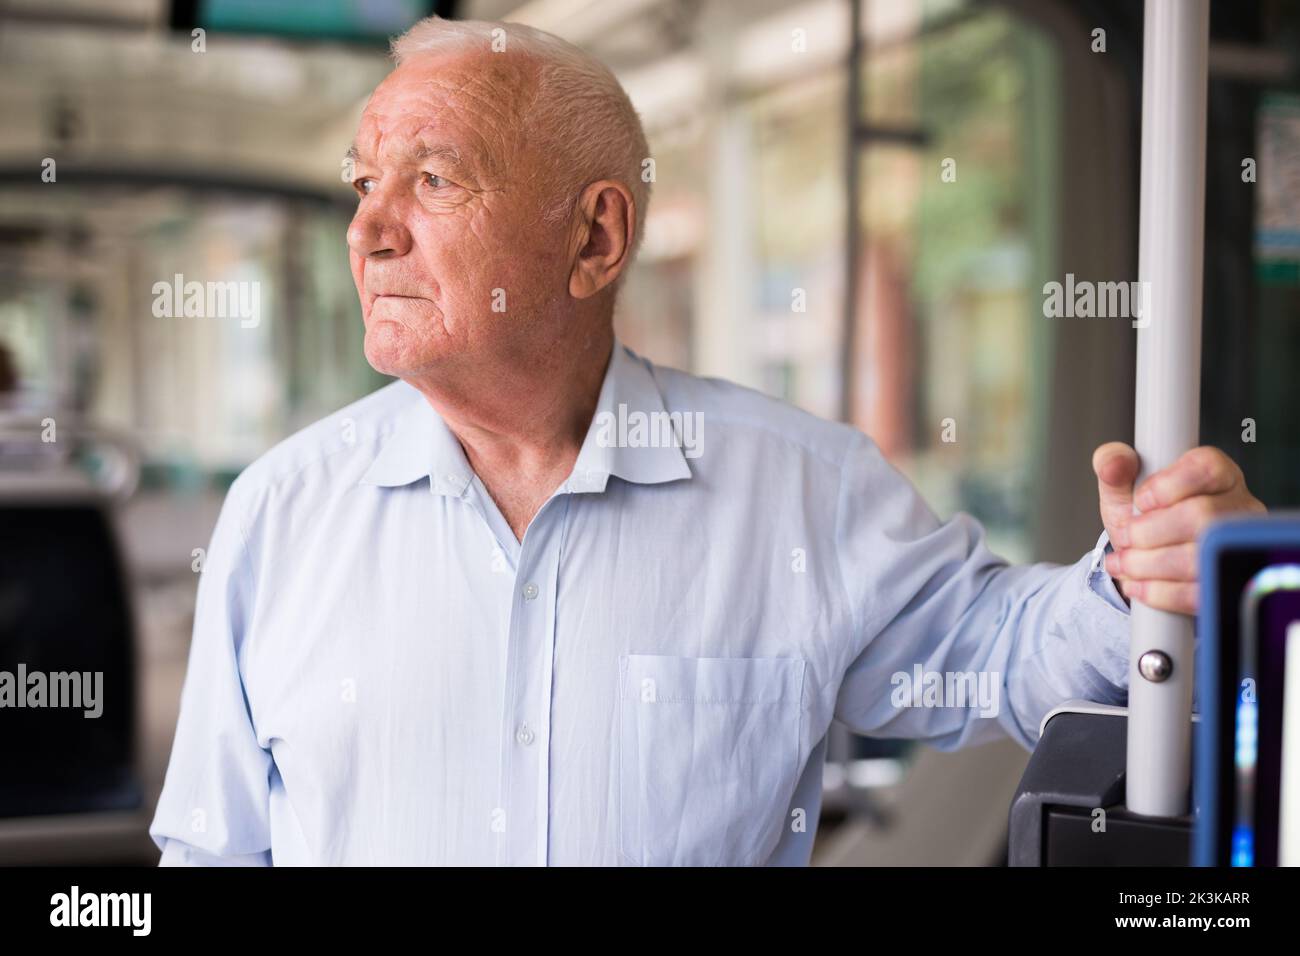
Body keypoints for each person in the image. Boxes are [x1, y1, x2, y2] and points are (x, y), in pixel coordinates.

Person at [149, 16, 1265, 866]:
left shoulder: (795, 491)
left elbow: (1004, 655)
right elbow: (210, 849)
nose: (367, 227)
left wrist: (1146, 573)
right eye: (362, 182)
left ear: (595, 234)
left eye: (431, 180)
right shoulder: (282, 511)